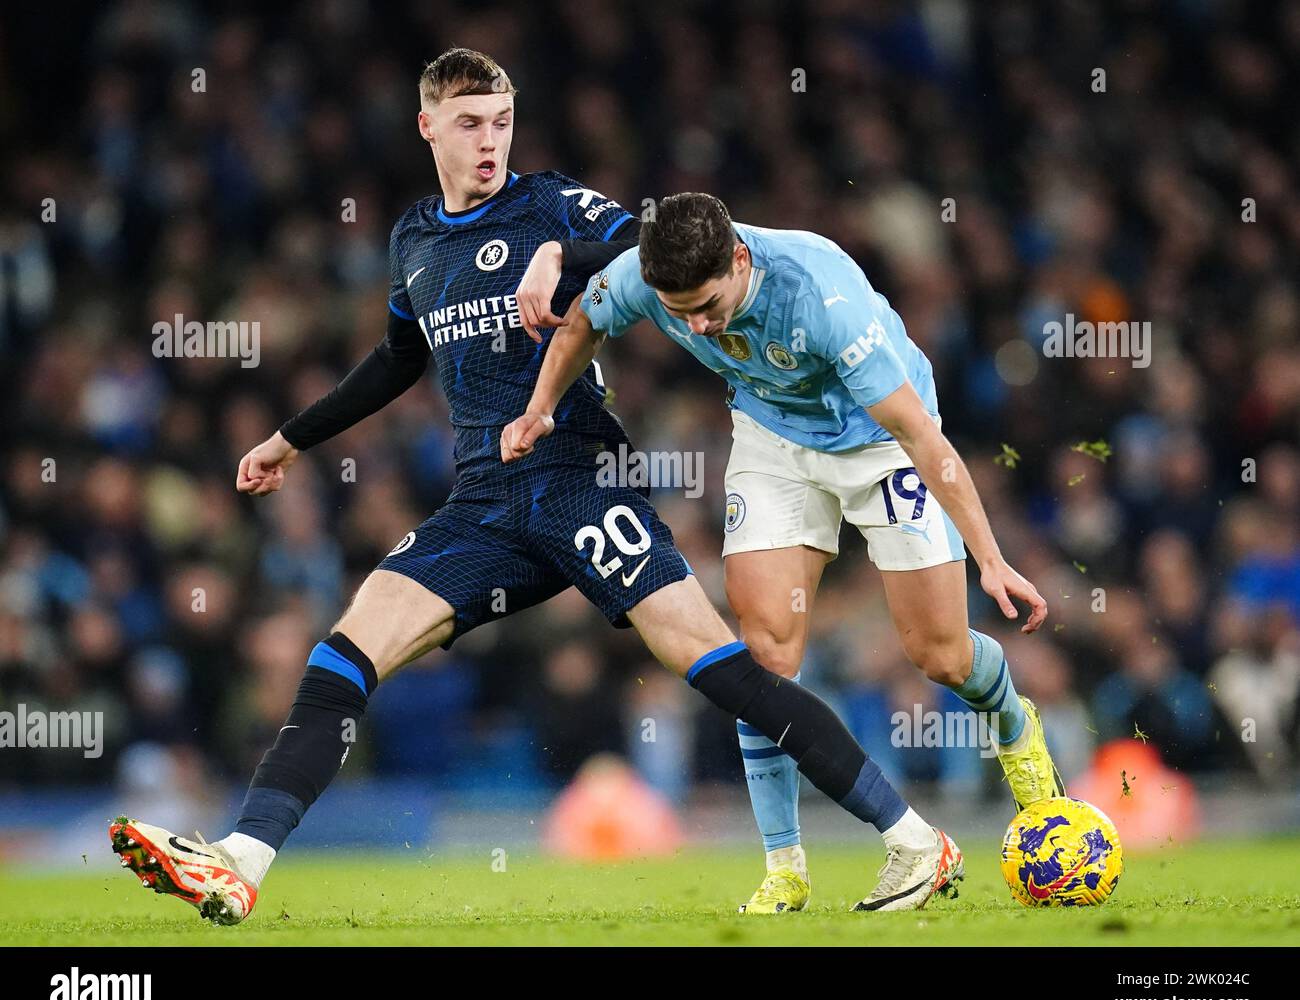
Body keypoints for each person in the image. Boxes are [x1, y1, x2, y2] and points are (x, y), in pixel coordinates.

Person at [109, 53, 962, 925]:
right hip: (483, 502)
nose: (489, 141)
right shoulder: (415, 241)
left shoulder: (550, 203)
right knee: (341, 656)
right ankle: (240, 863)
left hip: (582, 478)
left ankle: (914, 838)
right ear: (427, 126)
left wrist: (565, 251)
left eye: (502, 121)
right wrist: (291, 438)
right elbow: (398, 360)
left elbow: (661, 238)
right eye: (471, 122)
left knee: (726, 670)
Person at [502, 192, 1063, 914]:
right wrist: (542, 405)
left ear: (740, 258)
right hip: (775, 444)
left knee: (943, 655)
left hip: (878, 445)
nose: (696, 324)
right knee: (761, 658)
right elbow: (583, 318)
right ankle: (785, 868)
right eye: (679, 312)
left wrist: (990, 557)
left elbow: (925, 440)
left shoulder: (823, 296)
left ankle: (1018, 729)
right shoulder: (654, 276)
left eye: (706, 305)